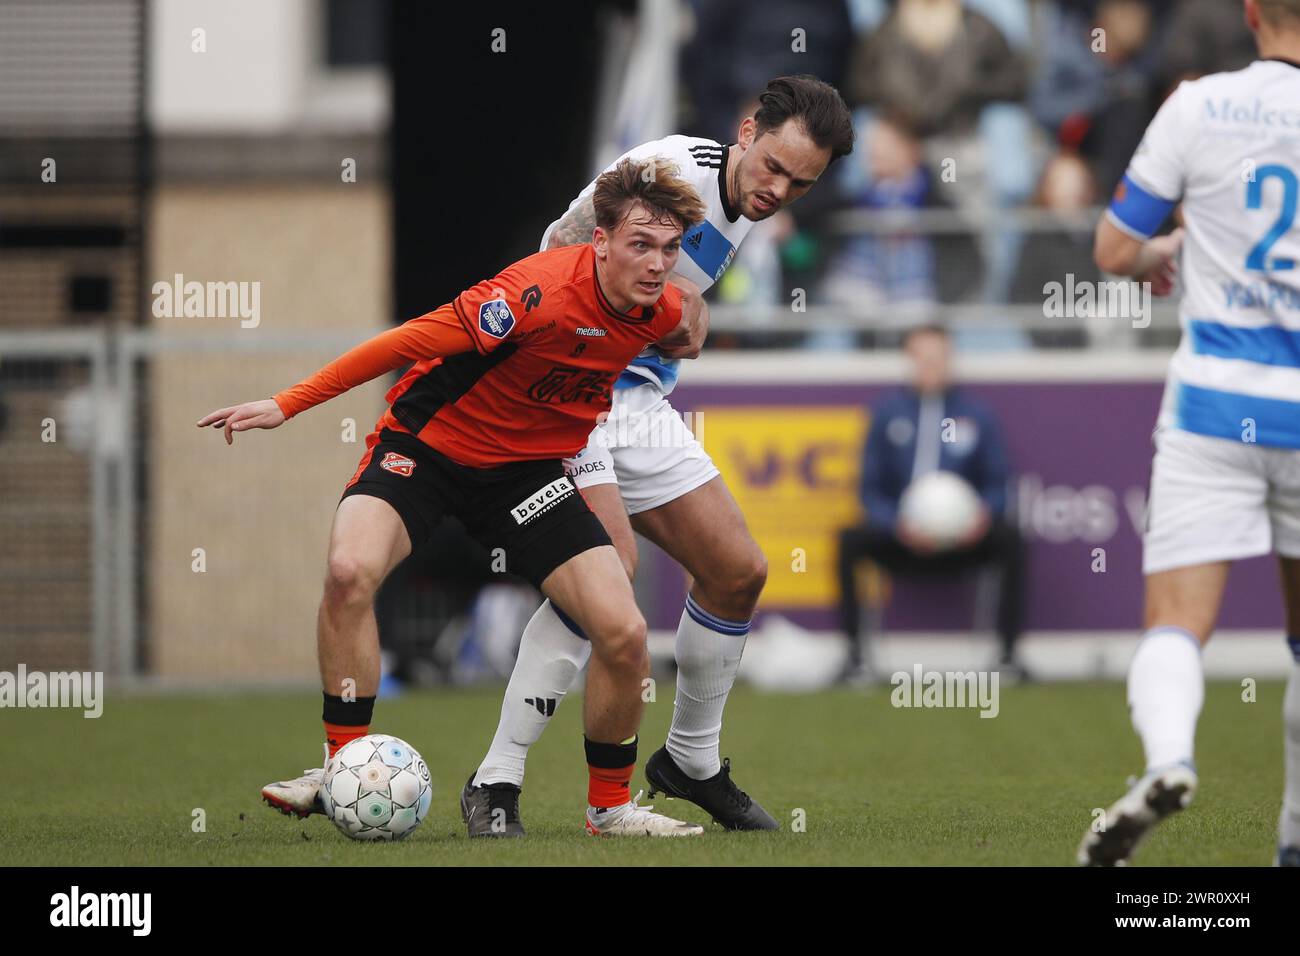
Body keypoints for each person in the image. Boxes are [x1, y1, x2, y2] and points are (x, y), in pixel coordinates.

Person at [203, 157, 715, 837]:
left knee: (623, 635)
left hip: (526, 472)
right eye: (640, 246)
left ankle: (610, 808)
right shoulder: (530, 296)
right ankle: (336, 766)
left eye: (670, 250)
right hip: (427, 449)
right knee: (349, 571)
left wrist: (692, 324)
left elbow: (689, 315)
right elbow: (404, 339)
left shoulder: (663, 302)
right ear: (599, 242)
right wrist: (285, 403)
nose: (657, 265)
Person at [462, 75, 855, 836]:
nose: (779, 189)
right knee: (607, 578)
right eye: (773, 166)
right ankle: (497, 777)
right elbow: (564, 250)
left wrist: (681, 311)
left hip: (636, 395)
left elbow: (673, 300)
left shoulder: (747, 201)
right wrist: (676, 308)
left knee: (738, 571)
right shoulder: (671, 174)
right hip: (568, 389)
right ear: (747, 132)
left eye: (801, 182)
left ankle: (690, 762)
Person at [1077, 0, 1300, 867]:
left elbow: (1109, 250)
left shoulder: (1197, 105)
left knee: (1174, 625)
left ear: (1250, 13)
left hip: (1213, 400)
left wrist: (1166, 250)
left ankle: (1170, 762)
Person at [835, 324, 1023, 683]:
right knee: (849, 539)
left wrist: (981, 517)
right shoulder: (888, 413)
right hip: (902, 540)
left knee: (1011, 540)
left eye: (938, 358)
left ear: (951, 361)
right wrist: (896, 524)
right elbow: (868, 490)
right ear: (909, 361)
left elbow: (999, 483)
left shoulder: (977, 415)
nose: (931, 367)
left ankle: (1008, 659)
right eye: (922, 358)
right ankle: (855, 661)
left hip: (966, 539)